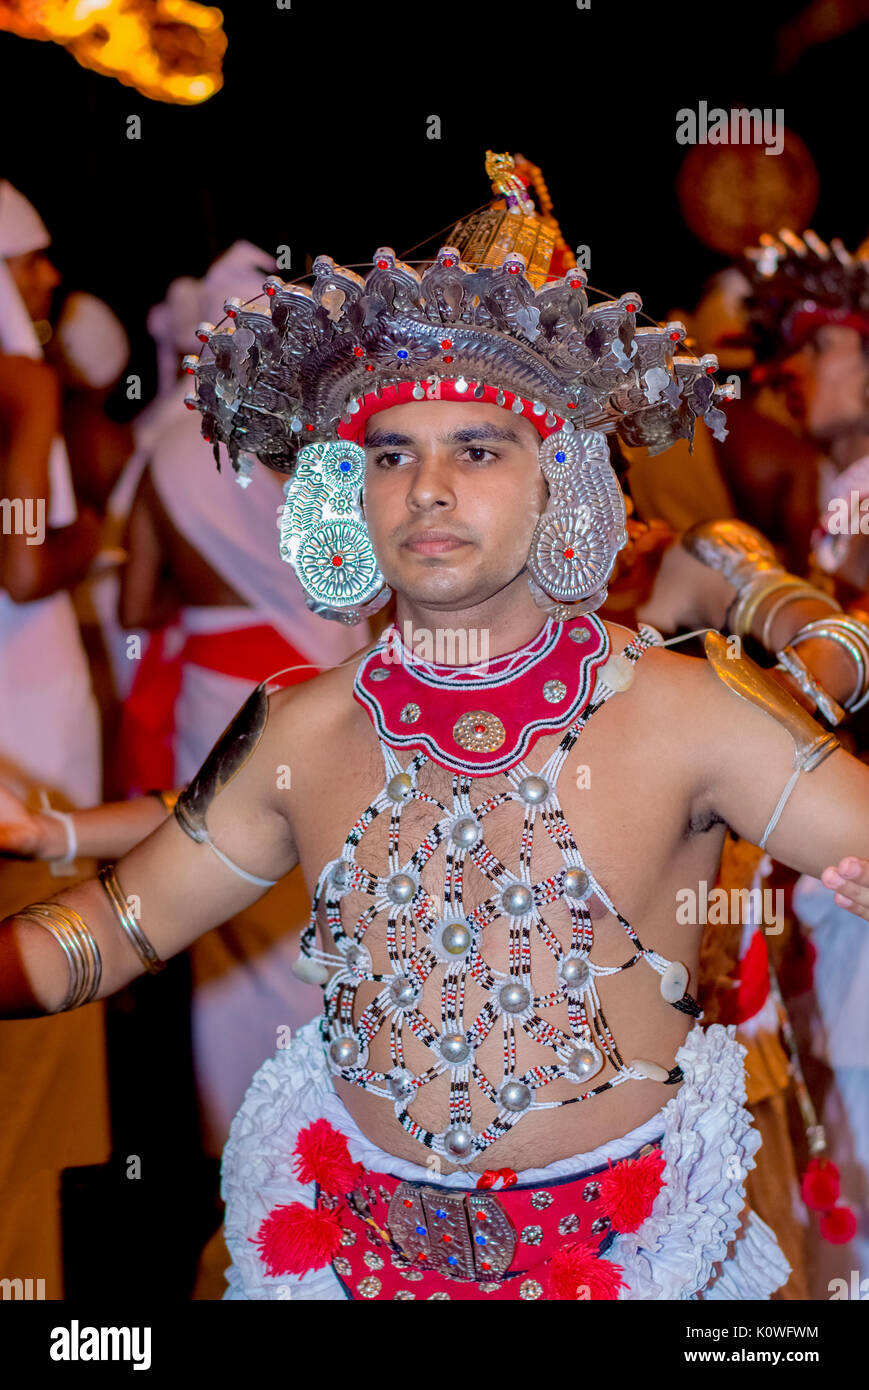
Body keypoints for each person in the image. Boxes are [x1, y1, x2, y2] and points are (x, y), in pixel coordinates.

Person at [4, 211, 869, 1304]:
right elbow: (104, 934)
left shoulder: (688, 712)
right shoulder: (299, 728)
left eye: (476, 448)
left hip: (637, 1270)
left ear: (557, 474)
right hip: (352, 1267)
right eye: (389, 452)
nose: (426, 489)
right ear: (344, 494)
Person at [0, 179, 108, 1298]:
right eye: (28, 262)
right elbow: (23, 553)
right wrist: (99, 537)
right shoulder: (18, 380)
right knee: (23, 1133)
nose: (44, 284)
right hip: (17, 810)